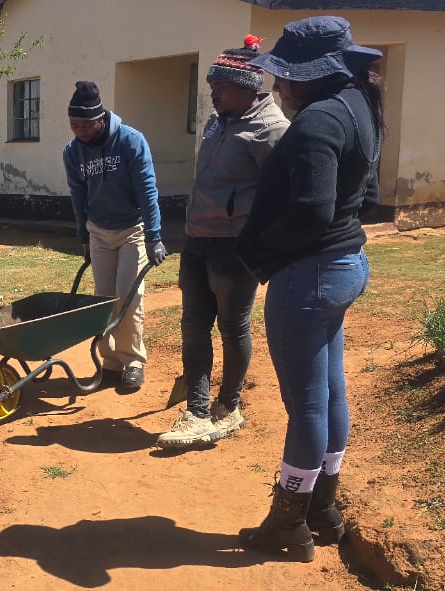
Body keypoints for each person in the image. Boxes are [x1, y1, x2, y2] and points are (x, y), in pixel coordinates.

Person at [234, 16, 383, 562]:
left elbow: (312, 209)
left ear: (308, 76)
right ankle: (322, 507)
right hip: (346, 263)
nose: (277, 87)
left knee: (306, 406)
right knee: (330, 393)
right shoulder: (359, 107)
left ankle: (287, 523)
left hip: (309, 273)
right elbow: (365, 194)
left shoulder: (318, 121)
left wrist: (261, 253)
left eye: (283, 77)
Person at [157, 36, 290, 449]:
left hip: (234, 248)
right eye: (211, 85)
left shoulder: (272, 131)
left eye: (220, 86)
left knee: (232, 327)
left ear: (249, 87)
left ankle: (228, 408)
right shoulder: (218, 122)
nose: (212, 93)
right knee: (194, 325)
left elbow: (281, 196)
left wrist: (259, 243)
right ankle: (197, 412)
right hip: (198, 240)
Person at [63, 81, 168, 393]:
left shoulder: (130, 141)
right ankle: (109, 362)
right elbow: (77, 195)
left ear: (100, 119)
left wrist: (154, 235)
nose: (79, 130)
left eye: (84, 125)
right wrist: (83, 235)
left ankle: (133, 362)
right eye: (73, 125)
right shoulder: (73, 152)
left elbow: (147, 189)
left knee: (129, 297)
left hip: (132, 230)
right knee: (103, 298)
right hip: (98, 231)